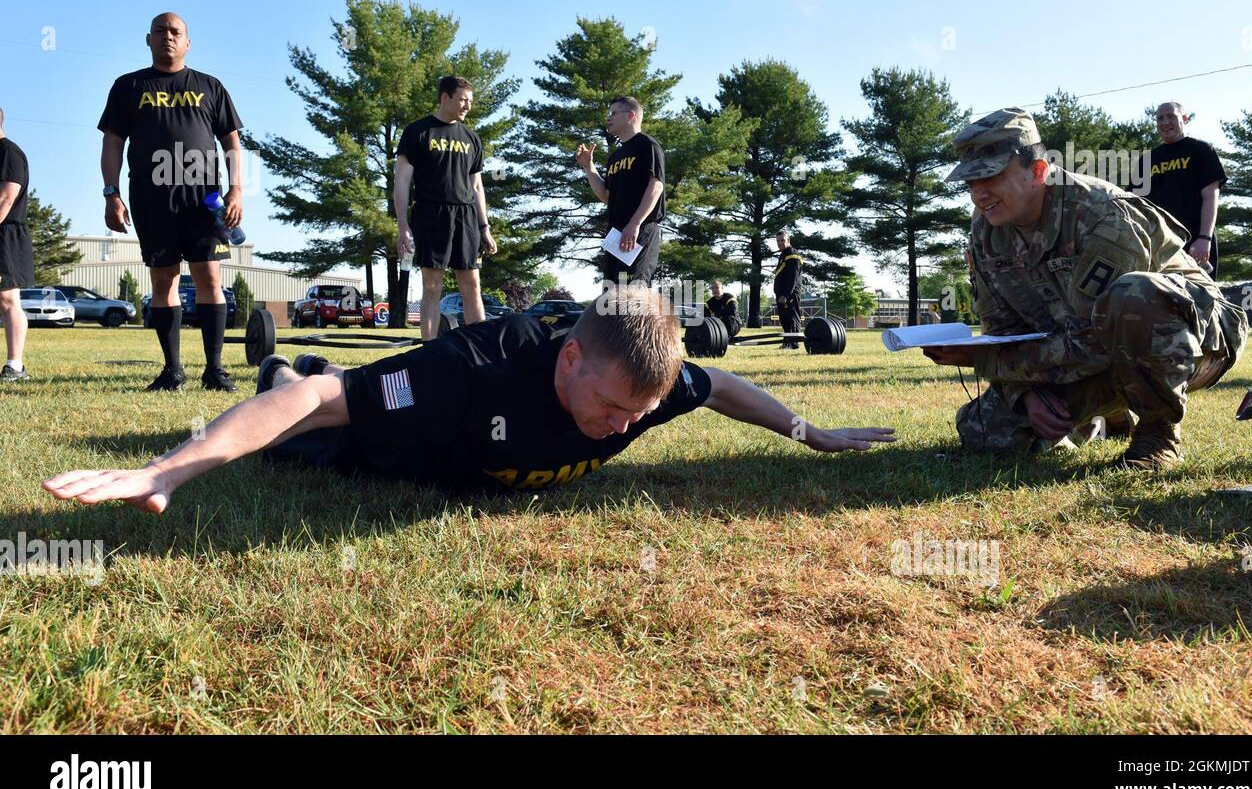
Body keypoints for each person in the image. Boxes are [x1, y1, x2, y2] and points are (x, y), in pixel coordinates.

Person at [42, 287, 895, 513]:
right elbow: (327, 407)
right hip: (372, 449)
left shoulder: (644, 382)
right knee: (305, 397)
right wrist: (171, 469)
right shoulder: (471, 369)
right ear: (567, 362)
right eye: (612, 410)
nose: (627, 427)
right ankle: (279, 363)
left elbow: (721, 386)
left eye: (641, 413)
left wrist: (807, 430)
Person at [924, 107, 1248, 470]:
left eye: (991, 178)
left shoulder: (1101, 213)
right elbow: (1003, 331)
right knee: (984, 431)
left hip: (1194, 339)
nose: (979, 195)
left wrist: (984, 360)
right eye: (970, 184)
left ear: (1039, 171)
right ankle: (1108, 413)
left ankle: (1158, 437)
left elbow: (1091, 342)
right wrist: (1026, 393)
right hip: (1089, 350)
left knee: (1132, 296)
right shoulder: (987, 230)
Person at [98, 12, 244, 392]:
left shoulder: (209, 86)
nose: (168, 37)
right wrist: (110, 193)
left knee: (209, 276)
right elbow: (113, 141)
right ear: (148, 39)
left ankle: (215, 370)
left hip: (203, 197)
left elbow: (231, 141)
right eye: (160, 31)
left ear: (187, 42)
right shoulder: (128, 86)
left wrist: (237, 189)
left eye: (175, 32)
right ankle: (172, 370)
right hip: (151, 196)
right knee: (164, 278)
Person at [394, 75, 497, 341]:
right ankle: (429, 351)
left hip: (465, 217)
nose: (467, 106)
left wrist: (484, 227)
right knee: (432, 286)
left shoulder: (472, 138)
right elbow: (402, 181)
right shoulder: (417, 131)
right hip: (430, 213)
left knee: (472, 285)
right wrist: (403, 225)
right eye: (462, 100)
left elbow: (477, 187)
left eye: (470, 101)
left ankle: (479, 349)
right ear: (445, 98)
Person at [575, 97, 666, 288]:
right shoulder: (615, 156)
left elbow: (656, 186)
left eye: (614, 113)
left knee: (632, 294)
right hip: (616, 234)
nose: (608, 117)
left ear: (630, 116)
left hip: (640, 230)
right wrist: (589, 167)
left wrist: (634, 224)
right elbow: (606, 196)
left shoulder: (647, 145)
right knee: (612, 295)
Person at [1143, 101, 1227, 276]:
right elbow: (1138, 205)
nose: (1165, 122)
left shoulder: (1201, 150)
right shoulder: (1148, 160)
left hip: (1194, 244)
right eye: (1160, 118)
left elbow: (1211, 196)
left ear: (1184, 118)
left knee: (1200, 300)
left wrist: (1204, 238)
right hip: (1159, 246)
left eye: (1171, 116)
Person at [0, 107, 33, 382]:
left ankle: (15, 366)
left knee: (8, 298)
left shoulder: (9, 153)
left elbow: (6, 199)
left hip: (6, 235)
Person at [773, 230, 802, 349]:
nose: (780, 243)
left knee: (792, 317)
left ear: (788, 241)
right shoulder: (783, 254)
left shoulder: (792, 254)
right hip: (782, 293)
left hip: (789, 293)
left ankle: (793, 343)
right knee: (784, 318)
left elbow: (793, 278)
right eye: (778, 241)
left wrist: (785, 294)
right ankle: (787, 341)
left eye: (782, 240)